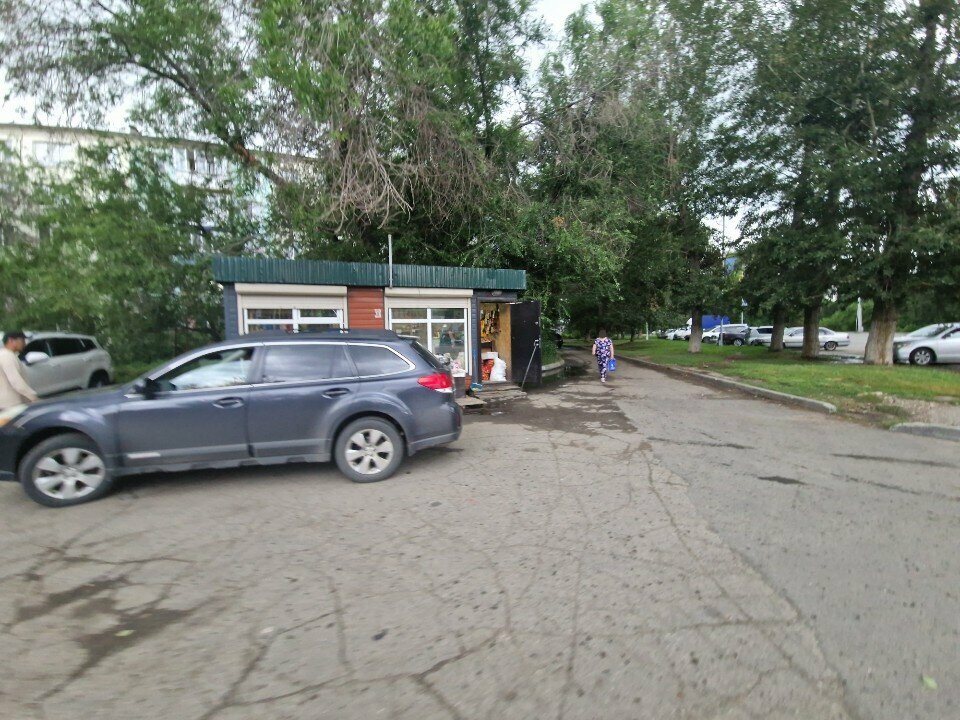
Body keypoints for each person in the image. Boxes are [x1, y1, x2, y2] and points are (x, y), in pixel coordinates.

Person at [0, 331, 38, 410]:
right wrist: (34, 397)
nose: (24, 343)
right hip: (11, 404)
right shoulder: (7, 356)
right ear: (11, 340)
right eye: (22, 340)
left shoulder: (6, 355)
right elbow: (16, 382)